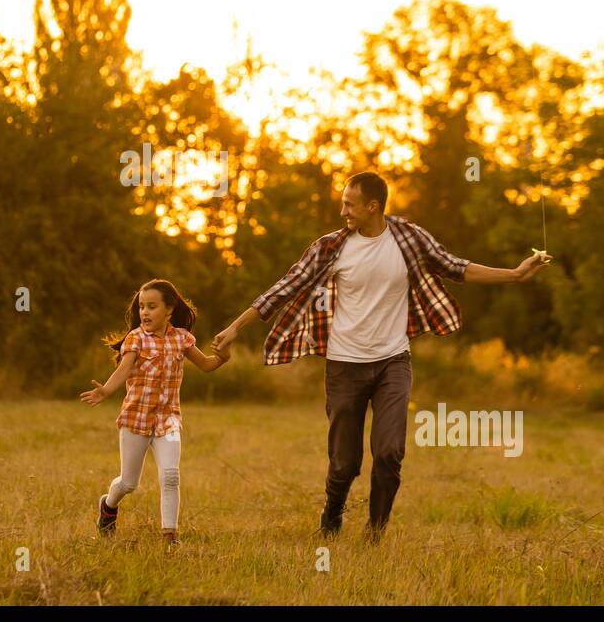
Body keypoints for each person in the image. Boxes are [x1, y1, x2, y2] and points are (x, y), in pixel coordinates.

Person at [213, 172, 549, 539]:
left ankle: (375, 530)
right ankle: (333, 511)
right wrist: (234, 328)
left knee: (389, 453)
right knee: (345, 463)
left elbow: (455, 267)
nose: (342, 210)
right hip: (344, 365)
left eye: (349, 204)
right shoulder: (331, 248)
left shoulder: (408, 238)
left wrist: (514, 275)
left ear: (373, 206)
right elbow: (283, 288)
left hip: (393, 361)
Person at [81, 279, 230, 548]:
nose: (145, 313)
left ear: (169, 310)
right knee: (128, 483)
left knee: (171, 476)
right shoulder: (136, 339)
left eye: (152, 306)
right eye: (141, 307)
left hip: (168, 420)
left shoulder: (182, 339)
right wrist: (106, 391)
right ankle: (108, 505)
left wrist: (223, 357)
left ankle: (170, 536)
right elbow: (123, 370)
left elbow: (207, 365)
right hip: (135, 419)